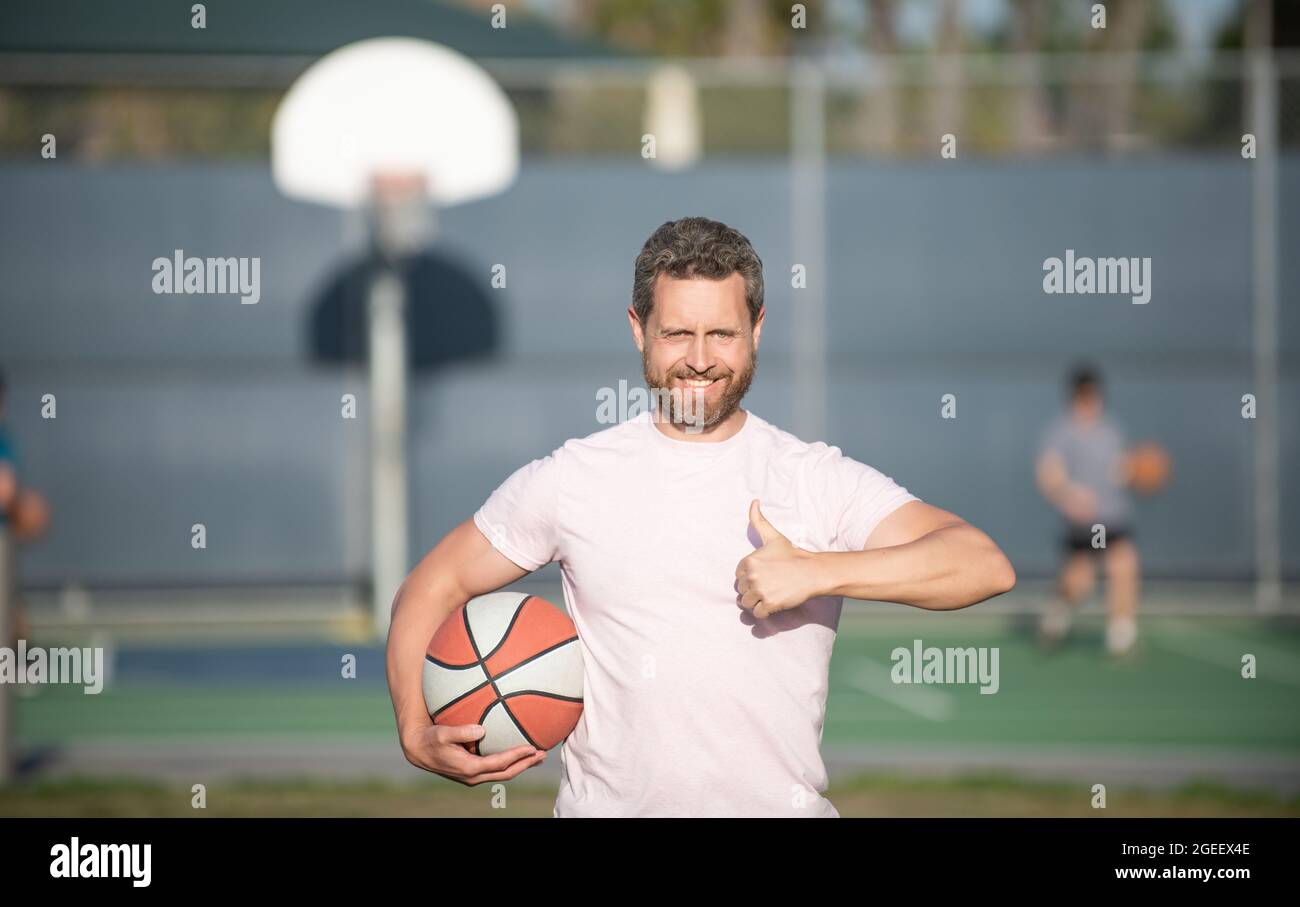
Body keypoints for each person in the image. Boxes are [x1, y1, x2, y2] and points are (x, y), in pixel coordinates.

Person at [385, 217, 1016, 817]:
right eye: (677, 334)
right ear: (639, 330)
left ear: (757, 329)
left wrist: (818, 571)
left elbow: (982, 565)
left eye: (722, 333)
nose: (700, 357)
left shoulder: (812, 478)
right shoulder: (572, 477)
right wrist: (414, 728)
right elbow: (434, 584)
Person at [1035, 363, 1141, 657]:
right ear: (1073, 396)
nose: (1088, 400)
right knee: (1079, 583)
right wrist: (1069, 496)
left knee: (1124, 565)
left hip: (1113, 519)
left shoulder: (1112, 431)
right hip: (1083, 524)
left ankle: (1121, 636)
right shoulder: (1061, 432)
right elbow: (1048, 475)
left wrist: (1138, 473)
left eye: (1092, 394)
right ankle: (1057, 611)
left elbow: (1125, 469)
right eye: (1082, 394)